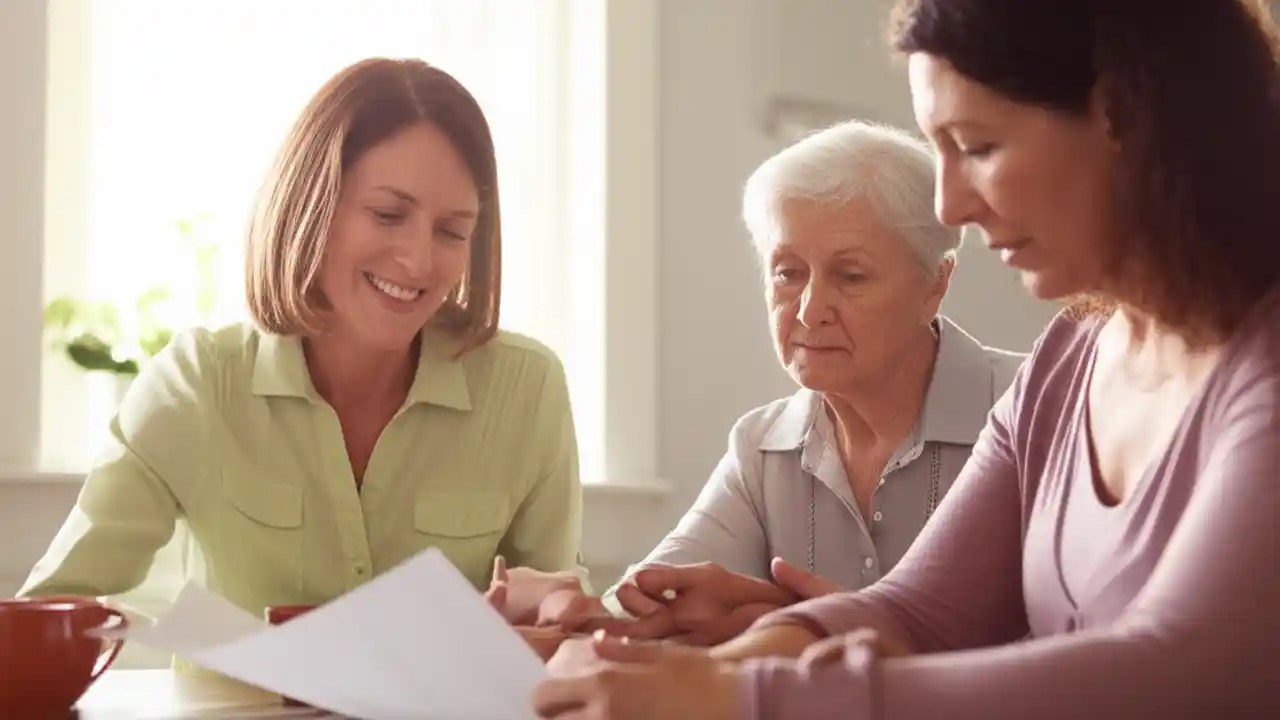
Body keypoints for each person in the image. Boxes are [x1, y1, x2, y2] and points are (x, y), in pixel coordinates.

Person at [532, 1, 1280, 717]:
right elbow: (920, 610)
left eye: (978, 147)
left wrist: (739, 696)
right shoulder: (1068, 359)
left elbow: (1182, 672)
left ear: (1121, 116)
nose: (950, 206)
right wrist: (725, 663)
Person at [21, 58, 584, 622]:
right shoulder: (199, 383)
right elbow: (47, 609)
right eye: (388, 214)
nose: (417, 261)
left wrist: (562, 614)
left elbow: (561, 638)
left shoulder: (526, 389)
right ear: (312, 205)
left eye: (451, 231)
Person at [606, 120, 1024, 646]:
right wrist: (576, 611)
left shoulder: (1034, 408)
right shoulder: (761, 446)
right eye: (787, 273)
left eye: (850, 277)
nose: (809, 310)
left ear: (936, 284)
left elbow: (1075, 650)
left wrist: (797, 623)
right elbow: (647, 599)